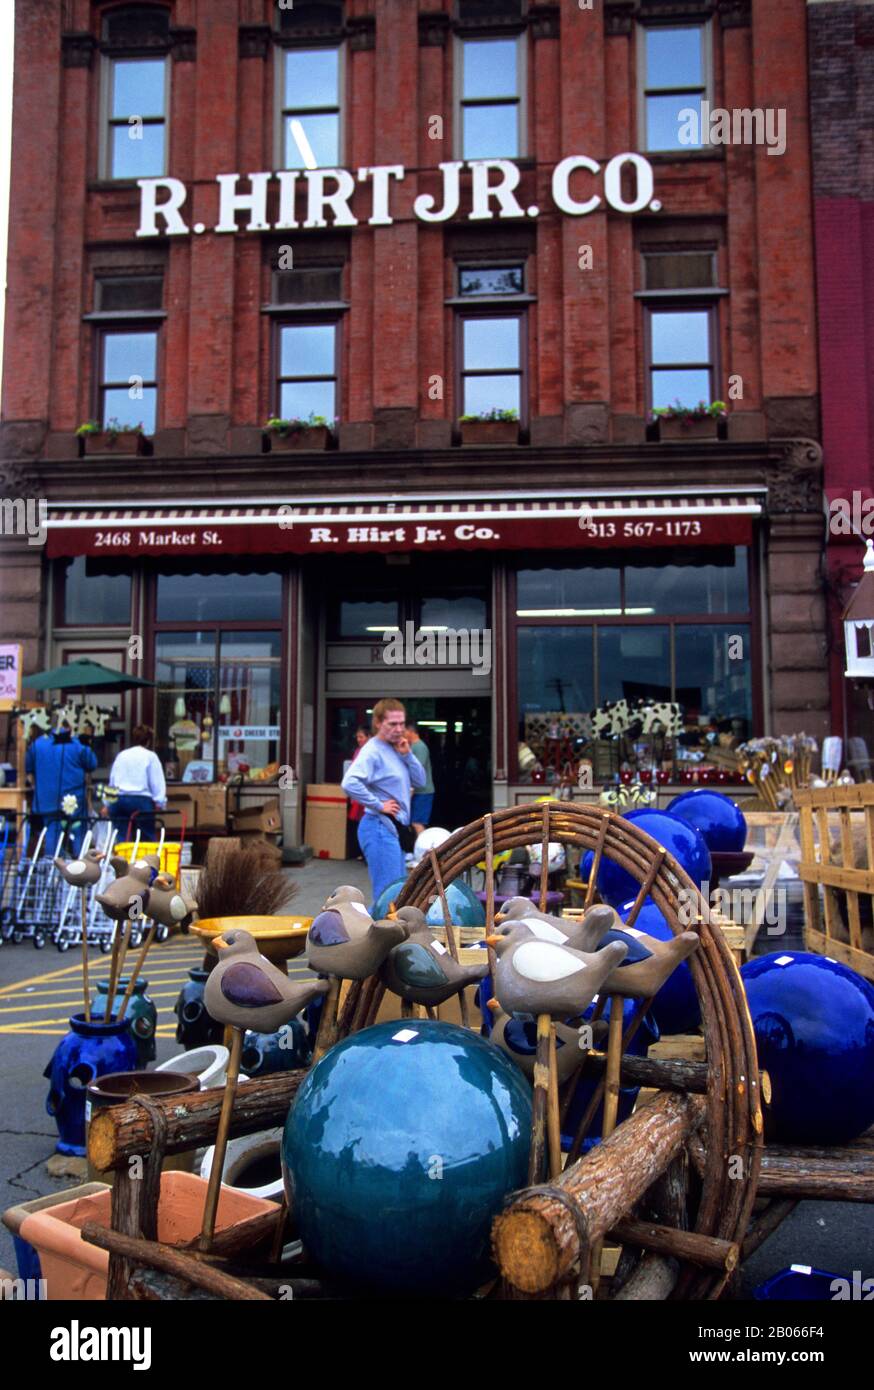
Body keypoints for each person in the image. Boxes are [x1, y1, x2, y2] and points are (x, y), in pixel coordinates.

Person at [341, 698, 425, 908]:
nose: (399, 730)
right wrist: (378, 804)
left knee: (397, 894)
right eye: (392, 724)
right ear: (378, 723)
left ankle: (376, 936)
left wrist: (408, 756)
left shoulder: (397, 748)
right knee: (389, 899)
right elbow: (349, 782)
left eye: (402, 724)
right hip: (378, 827)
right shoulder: (373, 750)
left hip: (392, 829)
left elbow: (421, 781)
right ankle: (367, 937)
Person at [26, 719, 97, 855]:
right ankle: (79, 869)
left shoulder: (38, 744)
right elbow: (92, 764)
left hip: (47, 800)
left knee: (52, 834)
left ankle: (52, 870)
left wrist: (39, 787)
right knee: (78, 835)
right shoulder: (77, 744)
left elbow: (29, 772)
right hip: (74, 800)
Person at [103, 724, 167, 840]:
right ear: (148, 741)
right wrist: (159, 802)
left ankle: (122, 857)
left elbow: (112, 781)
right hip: (140, 800)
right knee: (146, 838)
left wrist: (107, 804)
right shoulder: (150, 756)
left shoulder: (122, 755)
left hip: (119, 800)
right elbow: (156, 782)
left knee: (122, 837)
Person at [406, 721, 435, 833]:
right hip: (416, 791)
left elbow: (418, 769)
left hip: (423, 791)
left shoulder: (420, 747)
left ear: (411, 732)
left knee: (417, 823)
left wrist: (411, 788)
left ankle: (422, 850)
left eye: (404, 731)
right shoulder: (412, 746)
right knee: (413, 823)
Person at [345, 725, 369, 857]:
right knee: (360, 822)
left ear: (368, 737)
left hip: (366, 791)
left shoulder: (370, 751)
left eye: (361, 737)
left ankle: (367, 853)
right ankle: (361, 852)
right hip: (358, 790)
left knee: (366, 822)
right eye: (357, 737)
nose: (359, 739)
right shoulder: (358, 751)